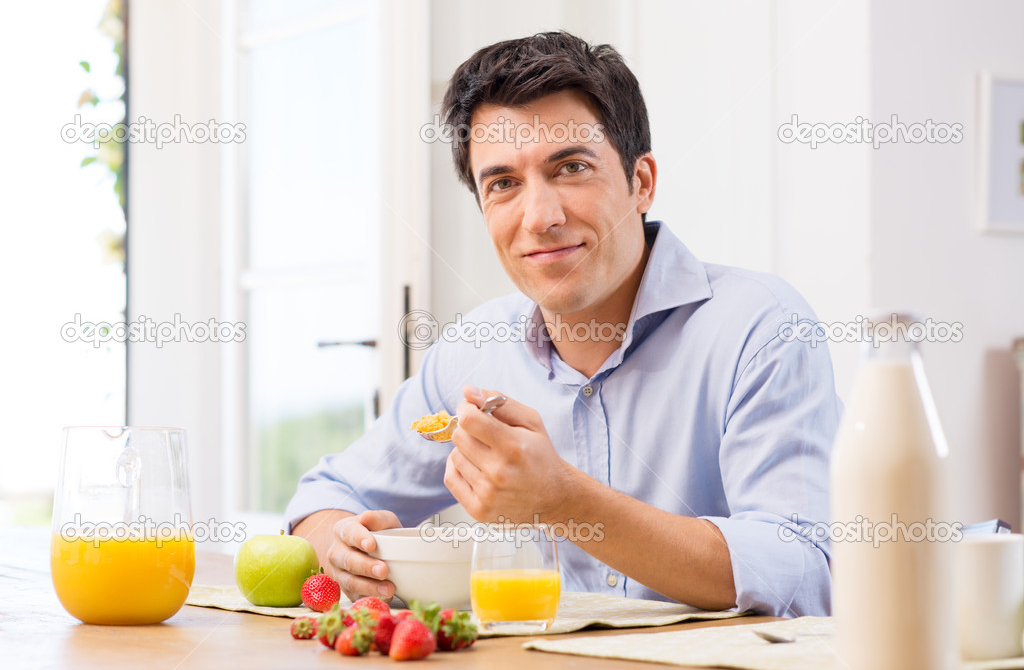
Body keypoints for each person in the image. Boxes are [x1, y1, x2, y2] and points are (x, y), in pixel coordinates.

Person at [285, 31, 841, 617]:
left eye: (571, 167)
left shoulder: (763, 328)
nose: (540, 217)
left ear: (641, 182)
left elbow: (803, 568)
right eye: (502, 184)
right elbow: (323, 499)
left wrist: (563, 502)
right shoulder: (475, 350)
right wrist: (344, 550)